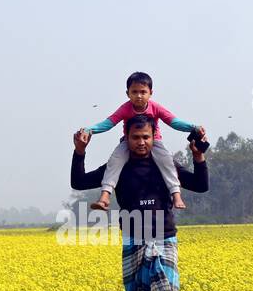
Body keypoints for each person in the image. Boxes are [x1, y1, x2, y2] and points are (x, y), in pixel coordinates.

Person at [70, 114, 209, 291]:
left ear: (154, 137)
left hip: (164, 240)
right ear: (127, 138)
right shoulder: (117, 166)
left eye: (146, 137)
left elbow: (200, 185)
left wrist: (199, 158)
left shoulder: (166, 165)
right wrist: (79, 151)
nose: (141, 143)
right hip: (133, 241)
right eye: (136, 138)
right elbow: (79, 181)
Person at [80, 72, 205, 212]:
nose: (139, 96)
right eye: (134, 92)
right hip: (127, 143)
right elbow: (109, 123)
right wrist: (89, 130)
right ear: (127, 93)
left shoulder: (155, 107)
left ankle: (176, 195)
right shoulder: (125, 108)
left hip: (155, 142)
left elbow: (174, 122)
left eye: (143, 92)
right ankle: (104, 196)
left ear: (150, 93)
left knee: (167, 163)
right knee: (114, 161)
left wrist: (193, 127)